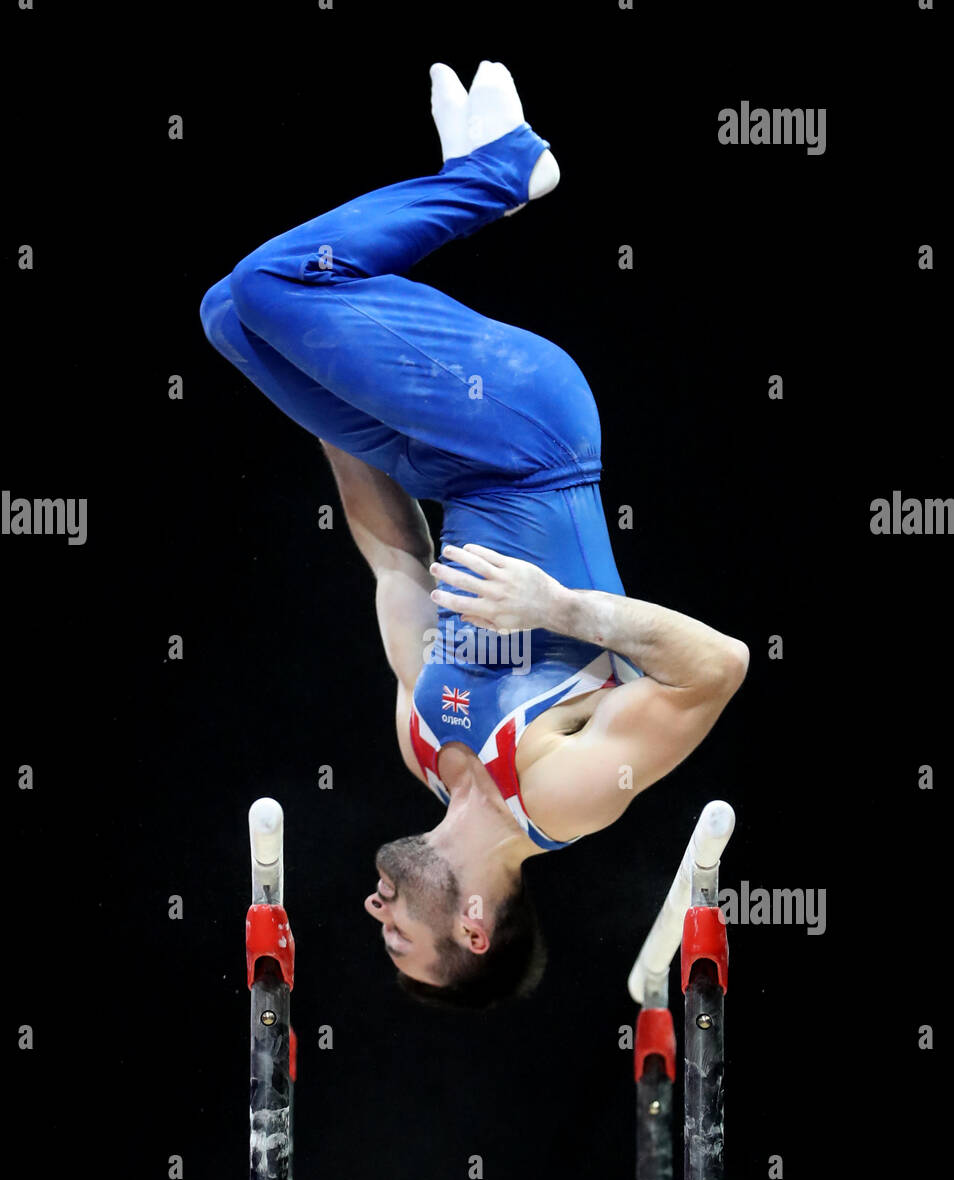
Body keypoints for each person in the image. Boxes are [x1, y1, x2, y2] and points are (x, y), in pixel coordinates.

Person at [200, 60, 748, 1009]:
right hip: (536, 437)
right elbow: (721, 666)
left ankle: (475, 172)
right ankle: (502, 169)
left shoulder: (422, 745)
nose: (378, 915)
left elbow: (395, 558)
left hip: (441, 465)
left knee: (234, 319)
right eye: (401, 943)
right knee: (272, 284)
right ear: (474, 928)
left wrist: (327, 400)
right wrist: (561, 608)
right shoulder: (566, 793)